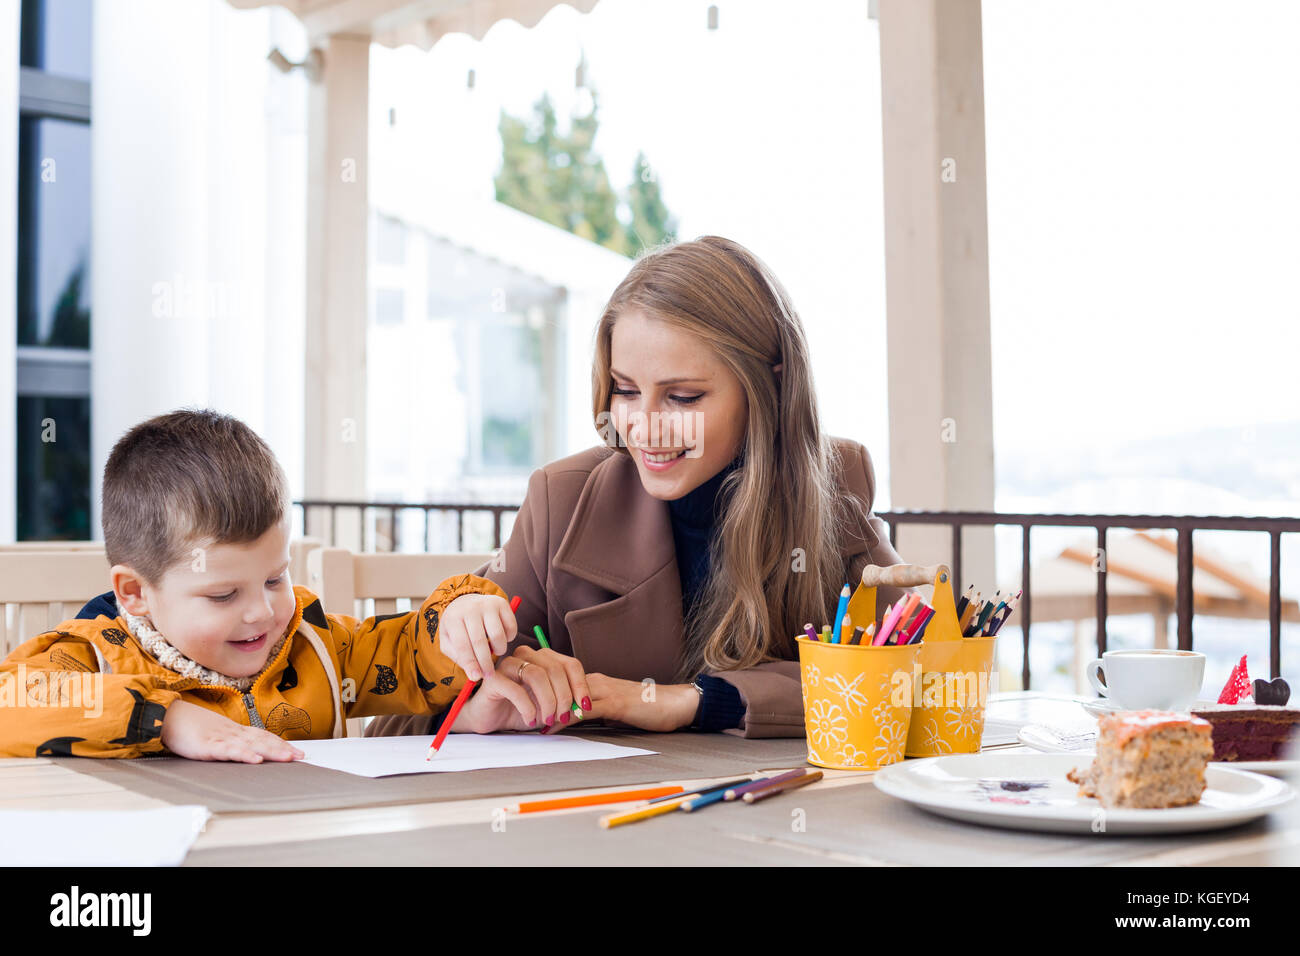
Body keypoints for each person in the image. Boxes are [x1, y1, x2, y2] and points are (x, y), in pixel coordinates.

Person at [370, 236, 907, 740]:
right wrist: (472, 713)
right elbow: (386, 732)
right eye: (625, 390)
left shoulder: (837, 481)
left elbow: (915, 679)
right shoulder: (561, 501)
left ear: (770, 385)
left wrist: (691, 701)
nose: (643, 428)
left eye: (683, 398)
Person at [0, 410, 536, 761]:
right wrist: (165, 720)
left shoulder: (315, 643)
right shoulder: (94, 656)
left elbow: (405, 651)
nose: (263, 612)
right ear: (135, 592)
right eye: (223, 595)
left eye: (276, 578)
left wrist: (462, 613)